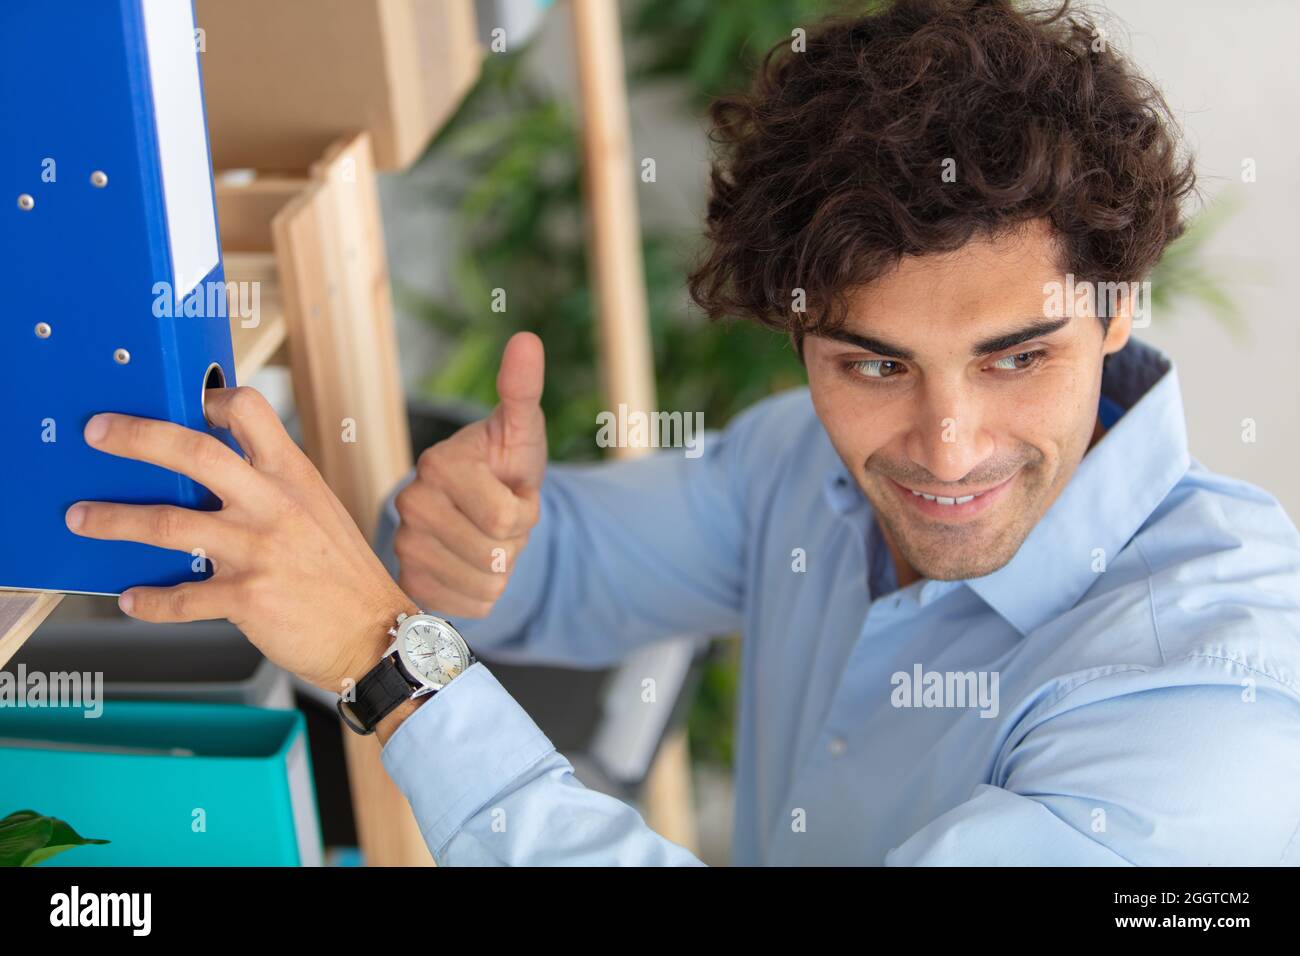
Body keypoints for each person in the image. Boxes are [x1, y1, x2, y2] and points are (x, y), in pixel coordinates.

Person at [67, 0, 1300, 865]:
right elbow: (553, 568)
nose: (945, 441)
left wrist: (387, 658)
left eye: (1015, 357)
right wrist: (460, 546)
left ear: (1118, 300)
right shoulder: (806, 469)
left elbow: (388, 641)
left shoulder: (1207, 708)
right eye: (872, 361)